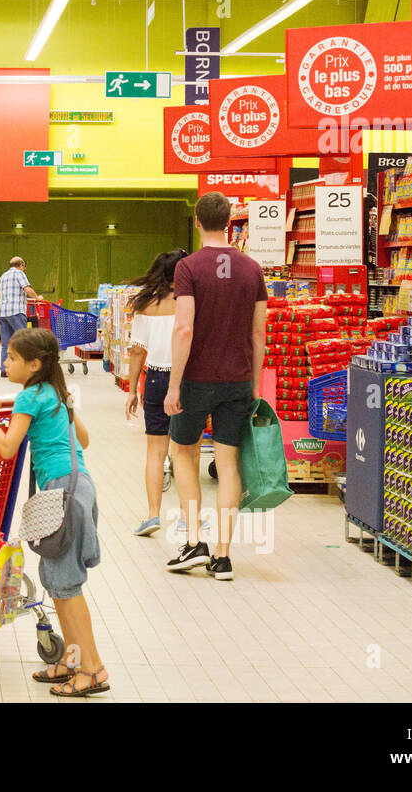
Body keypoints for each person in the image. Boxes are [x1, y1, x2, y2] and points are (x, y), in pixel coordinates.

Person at [0, 328, 106, 697]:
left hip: (59, 495)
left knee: (66, 587)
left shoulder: (28, 398)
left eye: (12, 358)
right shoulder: (57, 393)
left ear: (34, 364)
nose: (5, 362)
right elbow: (83, 441)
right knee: (60, 582)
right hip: (79, 486)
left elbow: (6, 447)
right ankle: (71, 659)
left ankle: (94, 669)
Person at [164, 192, 268, 582]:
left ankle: (194, 541)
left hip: (195, 379)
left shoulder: (188, 268)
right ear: (229, 223)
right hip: (238, 380)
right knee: (227, 465)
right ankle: (222, 557)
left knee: (184, 454)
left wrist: (174, 385)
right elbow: (259, 333)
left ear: (196, 222)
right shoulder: (252, 269)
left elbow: (184, 327)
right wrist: (255, 384)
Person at [123, 249, 188, 537]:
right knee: (186, 452)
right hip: (186, 379)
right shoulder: (190, 302)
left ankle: (152, 515)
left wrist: (131, 389)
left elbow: (137, 350)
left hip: (155, 380)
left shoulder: (145, 303)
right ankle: (187, 516)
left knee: (155, 451)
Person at [0, 257, 43, 378]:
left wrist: (7, 296)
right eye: (24, 267)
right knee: (23, 340)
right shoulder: (19, 273)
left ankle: (4, 370)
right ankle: (26, 368)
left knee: (6, 343)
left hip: (2, 313)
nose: (24, 269)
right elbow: (27, 289)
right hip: (16, 311)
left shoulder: (4, 275)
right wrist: (37, 298)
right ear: (21, 265)